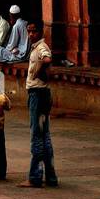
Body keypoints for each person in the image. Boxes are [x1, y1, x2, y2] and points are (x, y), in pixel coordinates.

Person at [20, 19, 58, 188]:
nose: (30, 35)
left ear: (41, 32)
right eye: (29, 31)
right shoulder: (36, 47)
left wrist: (39, 72)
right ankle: (50, 176)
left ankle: (35, 176)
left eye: (34, 31)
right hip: (41, 94)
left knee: (37, 135)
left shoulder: (42, 47)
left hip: (38, 94)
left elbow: (47, 59)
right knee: (44, 136)